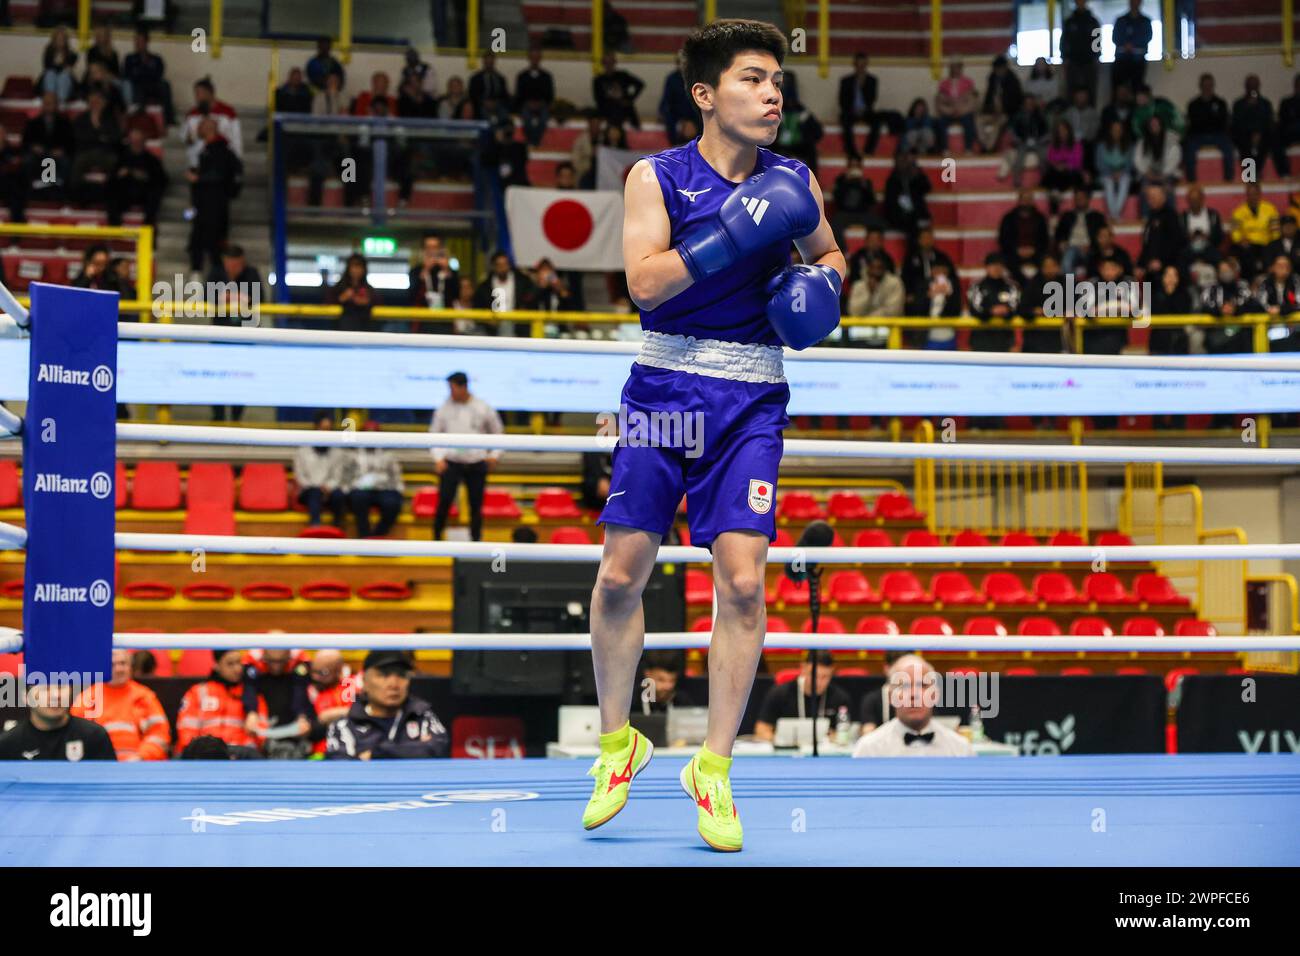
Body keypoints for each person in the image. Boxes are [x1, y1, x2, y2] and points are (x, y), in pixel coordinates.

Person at [585, 19, 844, 853]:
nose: (773, 93)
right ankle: (619, 741)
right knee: (623, 573)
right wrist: (736, 229)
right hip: (663, 385)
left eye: (778, 80)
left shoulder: (795, 177)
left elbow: (833, 255)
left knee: (741, 582)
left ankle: (716, 769)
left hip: (752, 396)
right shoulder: (655, 176)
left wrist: (820, 287)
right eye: (753, 79)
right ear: (705, 94)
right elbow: (646, 284)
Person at [325, 651, 449, 759]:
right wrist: (412, 750)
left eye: (401, 675)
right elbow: (340, 766)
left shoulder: (422, 716)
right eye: (383, 675)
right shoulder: (344, 726)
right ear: (364, 682)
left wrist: (376, 754)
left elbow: (439, 749)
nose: (394, 684)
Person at [429, 371, 504, 541]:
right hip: (451, 462)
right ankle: (436, 539)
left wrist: (494, 455)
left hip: (476, 462)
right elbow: (433, 434)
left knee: (476, 505)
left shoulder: (483, 407)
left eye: (452, 388)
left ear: (463, 387)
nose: (450, 392)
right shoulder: (443, 408)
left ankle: (475, 541)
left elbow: (498, 433)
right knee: (444, 501)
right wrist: (438, 458)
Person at [852, 655, 975, 757]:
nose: (914, 695)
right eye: (904, 686)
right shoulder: (868, 750)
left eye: (923, 685)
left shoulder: (961, 749)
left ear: (935, 695)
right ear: (890, 696)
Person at [70, 649, 170, 760]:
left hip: (140, 767)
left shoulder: (144, 697)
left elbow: (160, 736)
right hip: (98, 767)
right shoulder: (87, 698)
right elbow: (74, 737)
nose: (118, 669)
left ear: (130, 667)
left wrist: (140, 757)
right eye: (112, 664)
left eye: (122, 663)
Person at [0, 682, 116, 760]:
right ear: (26, 697)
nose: (56, 695)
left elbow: (110, 787)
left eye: (61, 687)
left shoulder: (94, 736)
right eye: (45, 689)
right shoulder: (8, 743)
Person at [186, 116, 243, 275]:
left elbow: (223, 175)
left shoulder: (221, 150)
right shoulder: (205, 150)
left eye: (201, 125)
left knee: (213, 243)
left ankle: (216, 280)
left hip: (214, 206)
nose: (197, 128)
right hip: (202, 205)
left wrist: (199, 178)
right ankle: (197, 276)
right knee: (198, 240)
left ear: (209, 128)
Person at [753, 651, 852, 741]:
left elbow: (845, 732)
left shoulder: (840, 697)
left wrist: (836, 738)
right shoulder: (780, 693)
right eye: (814, 675)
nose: (818, 682)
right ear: (803, 669)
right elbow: (762, 729)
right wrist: (778, 741)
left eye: (825, 677)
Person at [241, 648, 317, 758]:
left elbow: (300, 691)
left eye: (281, 661)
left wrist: (302, 716)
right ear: (264, 655)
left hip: (291, 715)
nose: (276, 666)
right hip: (266, 724)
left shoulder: (300, 660)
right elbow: (249, 689)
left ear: (288, 656)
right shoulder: (252, 660)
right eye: (272, 661)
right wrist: (251, 712)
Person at [175, 649, 256, 752]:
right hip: (203, 755)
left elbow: (260, 733)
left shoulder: (250, 694)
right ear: (217, 666)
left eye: (239, 662)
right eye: (230, 664)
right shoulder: (198, 692)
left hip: (240, 755)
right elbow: (185, 730)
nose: (238, 669)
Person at [343, 421, 405, 537]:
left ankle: (378, 535)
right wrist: (349, 489)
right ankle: (364, 536)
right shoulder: (353, 454)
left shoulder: (388, 454)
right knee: (358, 499)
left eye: (373, 434)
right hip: (360, 489)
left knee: (392, 503)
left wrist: (399, 491)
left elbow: (396, 475)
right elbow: (347, 476)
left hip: (384, 489)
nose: (370, 438)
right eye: (367, 434)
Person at [295, 410, 348, 526]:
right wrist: (317, 487)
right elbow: (300, 476)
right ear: (316, 428)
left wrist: (328, 487)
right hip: (309, 490)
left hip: (330, 490)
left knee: (338, 495)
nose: (325, 432)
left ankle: (338, 528)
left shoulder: (337, 452)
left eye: (328, 429)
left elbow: (338, 475)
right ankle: (315, 527)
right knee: (315, 494)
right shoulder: (303, 451)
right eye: (322, 428)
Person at [108, 125, 167, 227]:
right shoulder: (121, 157)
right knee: (112, 193)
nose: (135, 142)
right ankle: (115, 227)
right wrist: (119, 174)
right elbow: (111, 177)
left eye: (138, 139)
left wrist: (144, 176)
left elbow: (162, 179)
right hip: (125, 191)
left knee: (154, 194)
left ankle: (147, 227)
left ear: (143, 141)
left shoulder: (151, 159)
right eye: (133, 139)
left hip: (143, 192)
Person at [1183, 73, 1234, 183]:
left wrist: (1208, 121)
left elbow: (1222, 121)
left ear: (1213, 86)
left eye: (1209, 85)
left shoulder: (1220, 103)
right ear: (1200, 86)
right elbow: (1194, 123)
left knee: (1229, 147)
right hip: (1198, 135)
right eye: (1205, 85)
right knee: (1189, 147)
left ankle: (1229, 179)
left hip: (1217, 135)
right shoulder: (1193, 104)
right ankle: (1191, 181)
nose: (1207, 88)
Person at [968, 253, 1020, 352]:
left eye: (1000, 265)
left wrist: (1007, 310)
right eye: (993, 265)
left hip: (1005, 339)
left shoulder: (1011, 286)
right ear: (986, 267)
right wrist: (991, 311)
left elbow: (1016, 307)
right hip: (981, 339)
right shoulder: (977, 286)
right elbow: (974, 309)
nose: (996, 268)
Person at [838, 51, 884, 158]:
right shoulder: (846, 81)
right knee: (844, 120)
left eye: (863, 65)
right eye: (859, 65)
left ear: (866, 65)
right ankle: (851, 151)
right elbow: (842, 101)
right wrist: (852, 109)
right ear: (854, 65)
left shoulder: (872, 80)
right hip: (850, 111)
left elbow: (872, 99)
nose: (861, 67)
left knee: (877, 121)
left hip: (866, 111)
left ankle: (868, 150)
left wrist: (862, 84)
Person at [123, 28, 174, 125]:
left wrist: (142, 73)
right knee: (136, 88)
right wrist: (144, 73)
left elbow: (158, 74)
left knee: (165, 85)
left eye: (140, 41)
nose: (138, 43)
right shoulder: (129, 59)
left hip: (153, 85)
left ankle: (169, 119)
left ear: (147, 42)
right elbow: (127, 75)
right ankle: (137, 118)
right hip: (137, 85)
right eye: (136, 40)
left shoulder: (156, 59)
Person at [1229, 183, 1280, 281]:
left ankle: (1268, 280)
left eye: (1255, 194)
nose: (1253, 197)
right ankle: (1248, 281)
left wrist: (1273, 243)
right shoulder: (1238, 211)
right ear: (1246, 195)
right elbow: (1235, 232)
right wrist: (1240, 240)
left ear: (1260, 194)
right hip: (1247, 245)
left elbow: (1276, 231)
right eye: (1250, 194)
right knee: (1244, 254)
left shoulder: (1270, 209)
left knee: (1272, 252)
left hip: (1266, 243)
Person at [409, 233, 459, 333]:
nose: (432, 251)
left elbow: (456, 295)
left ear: (440, 249)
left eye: (435, 247)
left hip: (445, 321)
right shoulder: (416, 271)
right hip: (422, 322)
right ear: (423, 250)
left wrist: (446, 269)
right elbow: (411, 296)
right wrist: (425, 271)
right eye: (428, 247)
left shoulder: (450, 272)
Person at [998, 189, 1050, 281]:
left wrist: (1034, 249)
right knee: (1008, 262)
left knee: (1047, 262)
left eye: (1028, 199)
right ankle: (1025, 286)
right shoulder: (1008, 218)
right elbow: (1003, 239)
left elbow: (1044, 239)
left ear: (1032, 201)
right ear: (1019, 201)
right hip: (1014, 252)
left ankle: (1037, 287)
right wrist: (1017, 250)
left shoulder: (1040, 218)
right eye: (1024, 199)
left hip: (1036, 252)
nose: (1026, 202)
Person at [1055, 187, 1106, 274]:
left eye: (1082, 198)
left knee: (1096, 262)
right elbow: (1059, 234)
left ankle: (1092, 285)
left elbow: (1102, 236)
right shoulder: (1067, 216)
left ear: (1088, 199)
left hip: (1091, 249)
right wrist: (1062, 242)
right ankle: (1070, 287)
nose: (1079, 200)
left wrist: (1091, 246)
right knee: (1067, 262)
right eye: (1077, 198)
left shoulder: (1097, 217)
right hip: (1071, 247)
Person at [1060, 0, 1101, 104]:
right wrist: (1065, 58)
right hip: (1073, 62)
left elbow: (1097, 42)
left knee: (1091, 91)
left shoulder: (1093, 21)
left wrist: (1096, 58)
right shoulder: (1069, 22)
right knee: (1071, 91)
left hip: (1089, 62)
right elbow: (1064, 41)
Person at [883, 150, 931, 235]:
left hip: (916, 214)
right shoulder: (892, 180)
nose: (902, 163)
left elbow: (927, 188)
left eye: (905, 160)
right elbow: (890, 204)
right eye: (900, 160)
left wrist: (917, 174)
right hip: (899, 215)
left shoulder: (916, 175)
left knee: (920, 225)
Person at [515, 44, 555, 147]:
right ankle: (533, 142)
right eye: (533, 57)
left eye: (537, 57)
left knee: (544, 119)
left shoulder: (547, 76)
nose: (535, 60)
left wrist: (541, 103)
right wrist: (528, 103)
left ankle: (534, 142)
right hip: (526, 105)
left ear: (540, 59)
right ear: (529, 58)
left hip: (542, 106)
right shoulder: (522, 76)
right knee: (526, 119)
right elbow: (519, 95)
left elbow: (550, 95)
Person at [934, 60, 978, 153]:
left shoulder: (968, 82)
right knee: (940, 122)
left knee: (969, 122)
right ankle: (945, 149)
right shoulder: (944, 83)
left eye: (957, 67)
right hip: (949, 111)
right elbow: (940, 101)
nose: (955, 70)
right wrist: (949, 110)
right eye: (953, 67)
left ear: (961, 69)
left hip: (964, 111)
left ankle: (968, 149)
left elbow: (972, 100)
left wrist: (962, 110)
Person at [592, 52, 645, 129]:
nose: (609, 65)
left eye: (611, 62)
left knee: (630, 114)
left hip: (623, 106)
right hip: (607, 107)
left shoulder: (622, 75)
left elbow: (640, 84)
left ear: (614, 63)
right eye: (606, 63)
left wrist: (630, 99)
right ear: (602, 64)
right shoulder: (598, 80)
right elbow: (597, 98)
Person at [1006, 94, 1049, 189]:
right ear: (1023, 104)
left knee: (1044, 156)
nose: (1029, 106)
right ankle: (1016, 181)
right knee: (1019, 158)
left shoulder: (1040, 115)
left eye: (1031, 103)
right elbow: (1011, 130)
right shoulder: (1017, 116)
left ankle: (1045, 180)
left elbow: (1046, 131)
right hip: (1022, 142)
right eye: (1027, 103)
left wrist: (1041, 140)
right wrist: (1017, 140)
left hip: (1038, 141)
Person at [659, 52, 700, 147]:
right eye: (681, 62)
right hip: (677, 122)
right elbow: (666, 104)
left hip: (697, 120)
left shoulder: (699, 78)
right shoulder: (672, 79)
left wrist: (694, 123)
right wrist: (680, 123)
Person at [1111, 0, 1152, 94]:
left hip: (1138, 61)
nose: (1135, 3)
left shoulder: (1145, 21)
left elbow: (1147, 37)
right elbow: (1115, 37)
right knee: (1119, 89)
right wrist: (1125, 45)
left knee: (1137, 89)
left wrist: (1133, 45)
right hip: (1121, 61)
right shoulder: (1120, 20)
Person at [328, 253, 376, 332]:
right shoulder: (338, 288)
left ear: (364, 269)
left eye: (359, 266)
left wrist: (368, 302)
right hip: (341, 331)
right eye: (354, 266)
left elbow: (378, 303)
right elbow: (326, 305)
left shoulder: (369, 289)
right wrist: (341, 299)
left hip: (363, 330)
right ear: (348, 268)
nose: (356, 270)